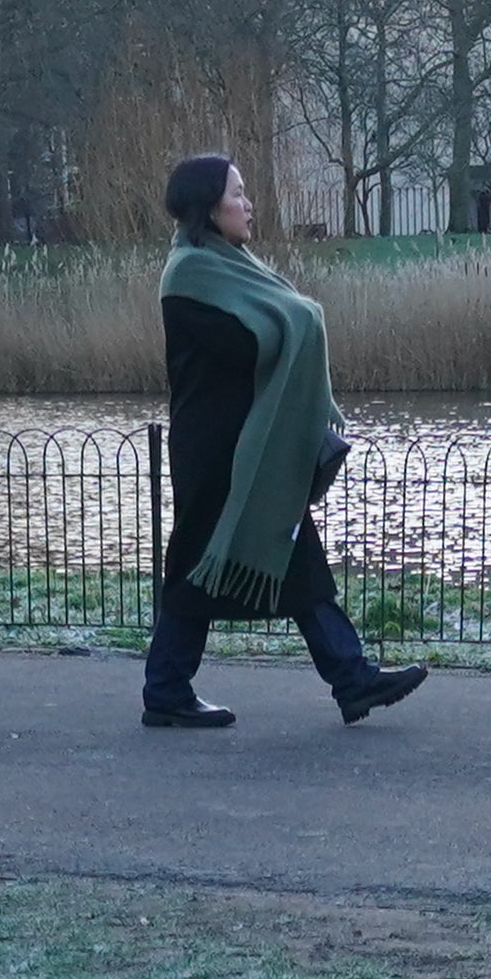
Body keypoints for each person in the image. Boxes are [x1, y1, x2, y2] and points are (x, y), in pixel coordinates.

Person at [145, 154, 427, 733]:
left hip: (255, 444)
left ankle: (347, 679)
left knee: (283, 553)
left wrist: (300, 319)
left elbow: (275, 326)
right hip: (219, 450)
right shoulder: (190, 277)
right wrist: (302, 320)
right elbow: (249, 347)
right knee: (202, 561)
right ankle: (170, 689)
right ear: (208, 206)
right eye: (237, 194)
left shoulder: (233, 266)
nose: (248, 205)